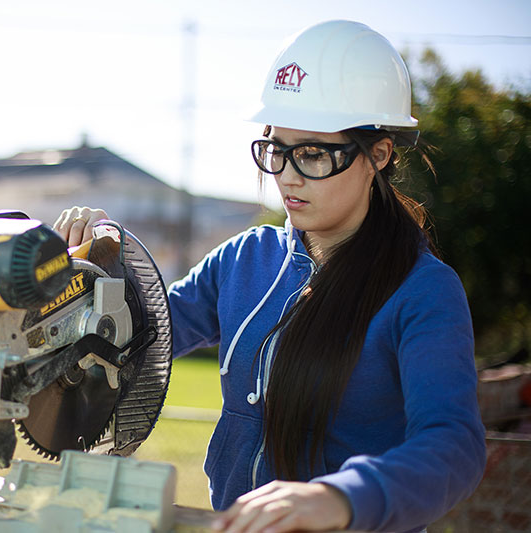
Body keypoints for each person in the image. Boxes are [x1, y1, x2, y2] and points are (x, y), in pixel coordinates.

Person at [55, 20, 486, 533]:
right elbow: (145, 331)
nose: (286, 174)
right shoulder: (244, 258)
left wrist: (340, 498)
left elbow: (453, 445)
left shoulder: (423, 292)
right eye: (276, 149)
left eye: (312, 153)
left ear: (379, 154)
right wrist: (101, 267)